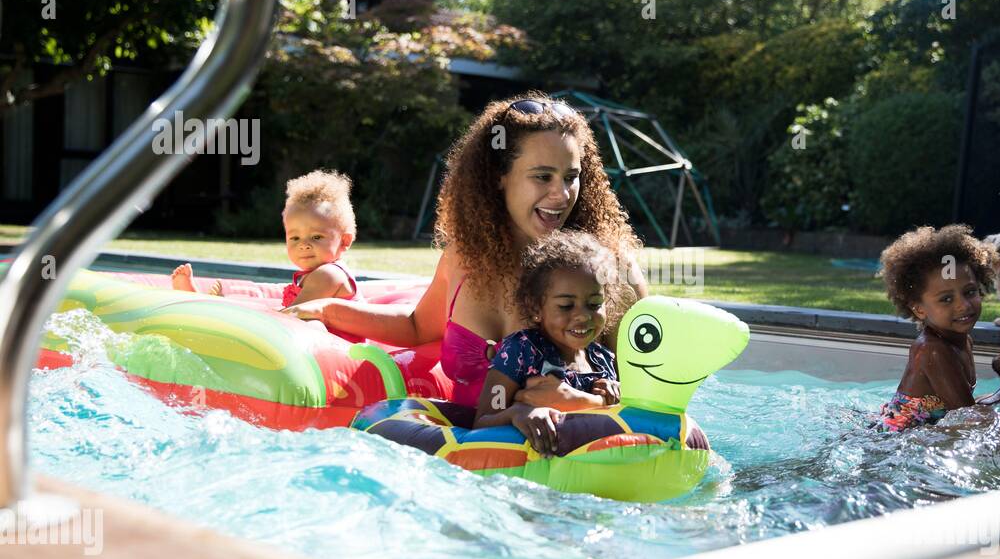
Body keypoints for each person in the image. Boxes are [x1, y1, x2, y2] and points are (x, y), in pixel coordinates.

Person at [283, 94, 646, 407]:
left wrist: (584, 402)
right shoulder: (465, 257)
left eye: (571, 177)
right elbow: (417, 326)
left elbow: (651, 386)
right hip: (464, 454)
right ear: (500, 176)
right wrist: (328, 309)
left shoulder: (608, 268)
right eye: (542, 176)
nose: (561, 194)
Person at [473, 231, 621, 455]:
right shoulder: (520, 352)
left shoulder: (603, 360)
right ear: (535, 307)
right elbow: (483, 419)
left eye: (594, 304)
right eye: (566, 306)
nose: (583, 316)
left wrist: (616, 395)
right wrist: (517, 413)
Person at [174, 170, 363, 341]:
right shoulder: (317, 274)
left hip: (339, 353)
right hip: (318, 347)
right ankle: (207, 306)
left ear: (344, 241)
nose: (303, 245)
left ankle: (207, 309)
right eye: (295, 237)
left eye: (316, 237)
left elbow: (293, 316)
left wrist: (245, 314)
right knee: (253, 305)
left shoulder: (329, 275)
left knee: (305, 323)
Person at [876, 224, 994, 430]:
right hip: (890, 440)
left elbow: (963, 408)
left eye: (969, 292)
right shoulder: (933, 350)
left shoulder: (964, 341)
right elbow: (967, 415)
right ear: (919, 309)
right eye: (946, 299)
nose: (963, 305)